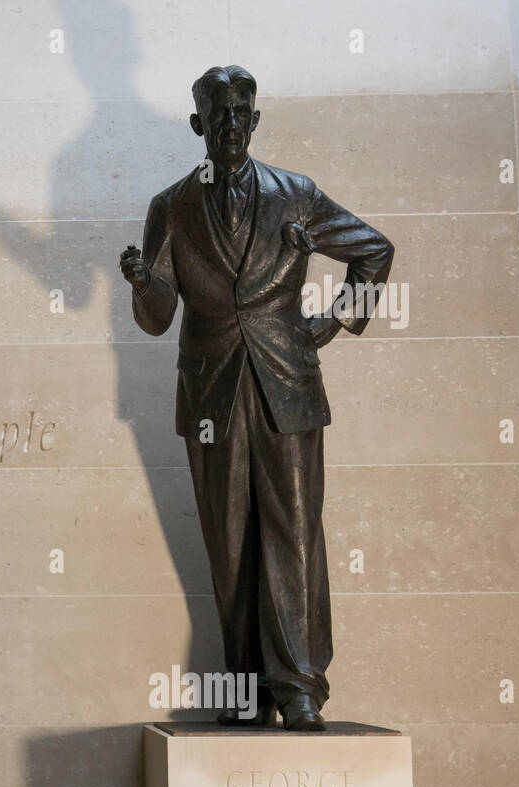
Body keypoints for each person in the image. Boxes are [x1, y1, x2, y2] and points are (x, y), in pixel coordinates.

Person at [120, 65, 394, 732]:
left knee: (294, 532)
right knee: (229, 541)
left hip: (287, 384)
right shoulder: (171, 206)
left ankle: (299, 685)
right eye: (219, 113)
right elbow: (157, 318)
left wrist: (328, 326)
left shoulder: (295, 194)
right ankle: (247, 689)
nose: (231, 125)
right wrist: (141, 282)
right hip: (211, 390)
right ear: (198, 125)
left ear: (256, 121)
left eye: (242, 112)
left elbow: (375, 251)